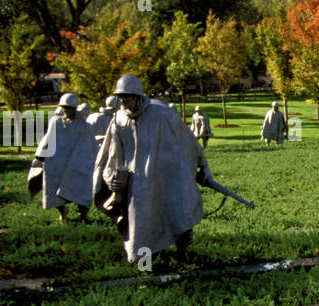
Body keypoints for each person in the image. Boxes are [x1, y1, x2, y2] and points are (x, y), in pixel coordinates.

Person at [94, 75, 208, 265]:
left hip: (168, 175)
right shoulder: (119, 119)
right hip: (137, 180)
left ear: (138, 96)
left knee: (179, 213)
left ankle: (182, 252)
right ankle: (145, 261)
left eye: (128, 97)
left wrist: (201, 165)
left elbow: (186, 141)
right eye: (121, 97)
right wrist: (111, 177)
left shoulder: (161, 114)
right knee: (140, 222)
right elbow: (113, 152)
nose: (124, 102)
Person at [32, 93, 96, 222]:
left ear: (75, 108)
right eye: (64, 107)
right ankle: (63, 211)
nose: (67, 110)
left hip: (76, 163)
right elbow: (48, 138)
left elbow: (90, 146)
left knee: (81, 187)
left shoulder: (84, 126)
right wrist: (39, 156)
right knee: (53, 188)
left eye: (69, 108)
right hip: (57, 162)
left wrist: (87, 162)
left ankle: (83, 215)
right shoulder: (55, 121)